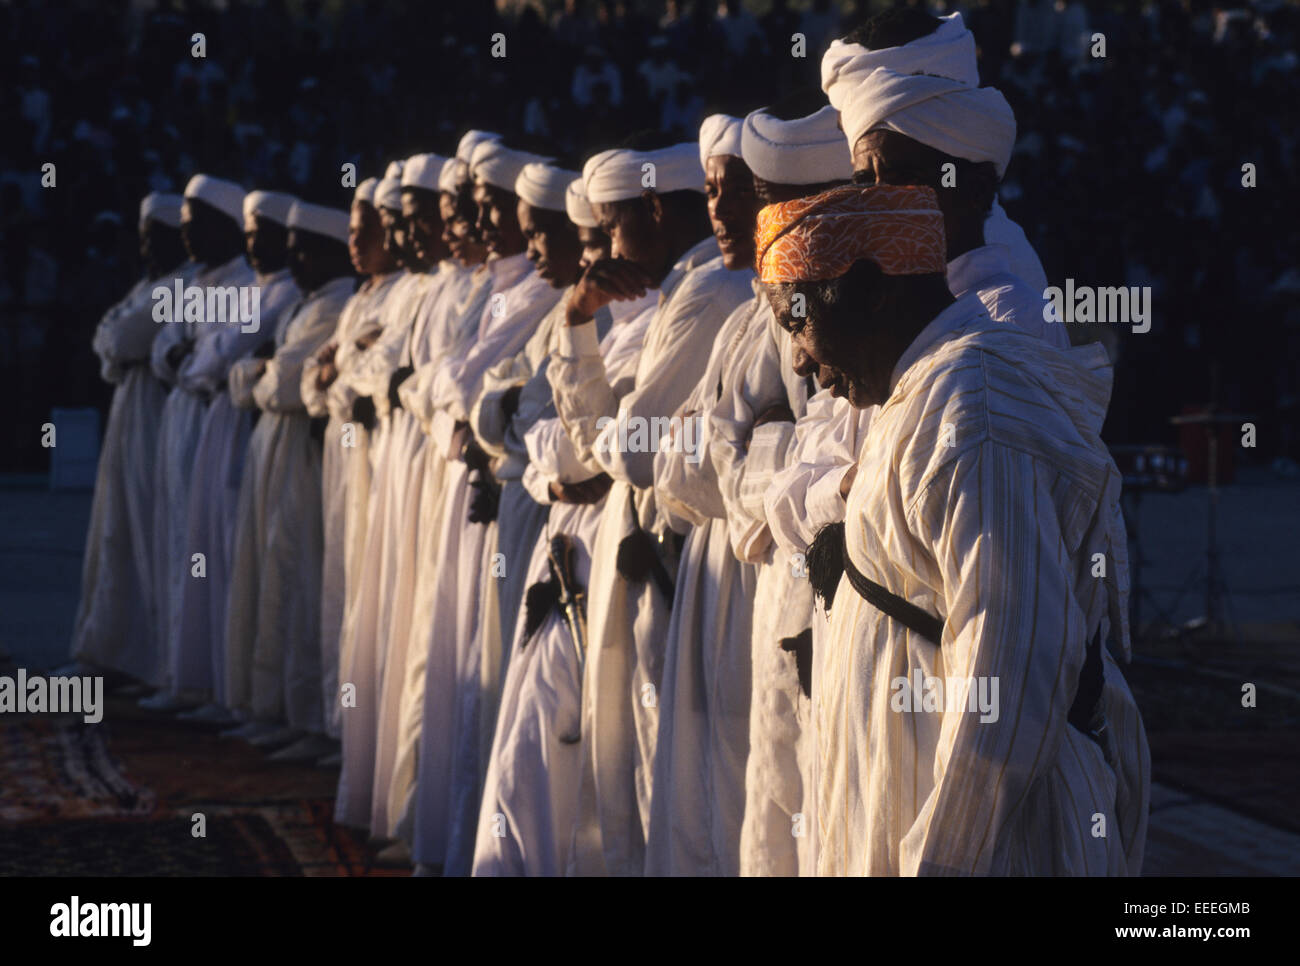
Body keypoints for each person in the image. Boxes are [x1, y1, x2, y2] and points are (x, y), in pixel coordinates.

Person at [760, 182, 1145, 875]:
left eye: (797, 324)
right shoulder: (921, 397)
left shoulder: (977, 412)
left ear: (872, 289)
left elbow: (1012, 670)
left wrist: (943, 859)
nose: (797, 361)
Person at [548, 135, 752, 875]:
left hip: (682, 565)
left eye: (609, 228)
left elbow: (625, 450)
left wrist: (578, 323)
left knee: (677, 764)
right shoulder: (687, 289)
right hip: (655, 554)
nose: (601, 250)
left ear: (656, 211)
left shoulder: (711, 293)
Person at [411, 135, 562, 876]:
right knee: (469, 668)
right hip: (495, 491)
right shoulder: (507, 288)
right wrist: (481, 407)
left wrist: (483, 408)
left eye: (491, 208)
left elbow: (498, 407)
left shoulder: (553, 294)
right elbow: (449, 388)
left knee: (509, 681)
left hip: (528, 505)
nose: (476, 220)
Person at [469, 164, 625, 876]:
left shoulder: (634, 317)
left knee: (589, 753)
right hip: (554, 532)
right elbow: (532, 428)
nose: (590, 259)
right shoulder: (578, 310)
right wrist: (549, 462)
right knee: (528, 737)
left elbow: (575, 446)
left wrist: (549, 456)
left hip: (610, 547)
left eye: (599, 239)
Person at [643, 113, 764, 877]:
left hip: (754, 571)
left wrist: (716, 445)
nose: (720, 209)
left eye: (737, 191)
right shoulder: (739, 310)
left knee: (745, 781)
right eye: (712, 190)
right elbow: (672, 459)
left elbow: (650, 446)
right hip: (717, 557)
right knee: (702, 773)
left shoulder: (726, 293)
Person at [224, 200, 356, 758]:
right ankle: (273, 705)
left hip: (306, 458)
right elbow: (266, 377)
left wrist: (260, 373)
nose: (294, 259)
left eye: (306, 249)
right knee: (266, 572)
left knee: (298, 578)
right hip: (273, 451)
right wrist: (262, 373)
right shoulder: (306, 307)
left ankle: (306, 715)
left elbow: (281, 386)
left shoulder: (337, 304)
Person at [171, 189, 301, 726]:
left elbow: (219, 354)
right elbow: (187, 352)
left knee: (231, 559)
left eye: (259, 234)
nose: (252, 245)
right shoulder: (251, 289)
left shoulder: (284, 292)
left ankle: (230, 691)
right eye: (247, 234)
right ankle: (203, 680)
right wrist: (208, 359)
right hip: (216, 423)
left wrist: (208, 359)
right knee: (200, 550)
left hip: (243, 429)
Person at [68, 192, 192, 684]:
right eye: (142, 238)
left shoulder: (183, 285)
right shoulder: (147, 286)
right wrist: (120, 345)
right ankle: (110, 648)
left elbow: (122, 339)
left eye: (155, 237)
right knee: (115, 528)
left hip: (157, 418)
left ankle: (146, 657)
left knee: (148, 530)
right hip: (128, 410)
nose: (146, 248)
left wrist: (120, 345)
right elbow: (109, 338)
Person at [300, 176, 402, 760]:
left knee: (371, 591)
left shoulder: (398, 296)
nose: (358, 243)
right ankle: (337, 724)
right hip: (344, 458)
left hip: (378, 459)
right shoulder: (361, 300)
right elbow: (319, 389)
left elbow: (360, 381)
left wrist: (343, 369)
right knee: (339, 583)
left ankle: (361, 738)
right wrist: (339, 368)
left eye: (368, 232)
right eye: (354, 233)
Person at [144, 174, 254, 706]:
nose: (187, 238)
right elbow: (163, 351)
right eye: (184, 228)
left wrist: (186, 359)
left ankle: (210, 680)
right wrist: (185, 359)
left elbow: (212, 363)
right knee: (175, 543)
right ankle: (175, 671)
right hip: (180, 421)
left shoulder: (245, 285)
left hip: (216, 426)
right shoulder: (187, 286)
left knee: (208, 551)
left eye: (199, 227)